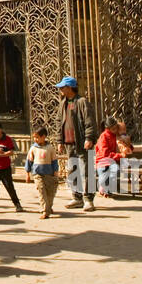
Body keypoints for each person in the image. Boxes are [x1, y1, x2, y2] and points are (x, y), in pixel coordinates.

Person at [55, 75, 97, 211]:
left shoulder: (82, 102)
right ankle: (77, 197)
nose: (61, 89)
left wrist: (89, 138)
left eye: (63, 87)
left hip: (82, 141)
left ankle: (88, 199)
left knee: (87, 170)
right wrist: (60, 140)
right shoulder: (63, 103)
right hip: (69, 142)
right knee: (73, 170)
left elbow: (89, 121)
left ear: (70, 87)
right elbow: (59, 122)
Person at [24, 127, 59, 218]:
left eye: (37, 137)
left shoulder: (50, 148)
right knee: (41, 192)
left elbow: (54, 161)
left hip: (49, 174)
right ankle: (45, 210)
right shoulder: (33, 148)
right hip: (38, 174)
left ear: (43, 137)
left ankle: (48, 207)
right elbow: (29, 161)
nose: (35, 139)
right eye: (34, 137)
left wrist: (55, 172)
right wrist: (27, 174)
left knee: (50, 193)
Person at [94, 117, 124, 198]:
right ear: (108, 128)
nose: (115, 130)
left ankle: (107, 189)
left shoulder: (116, 136)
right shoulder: (103, 136)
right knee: (104, 172)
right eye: (113, 129)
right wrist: (119, 156)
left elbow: (126, 145)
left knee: (116, 170)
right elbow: (105, 153)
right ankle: (103, 186)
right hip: (102, 161)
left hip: (112, 161)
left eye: (116, 128)